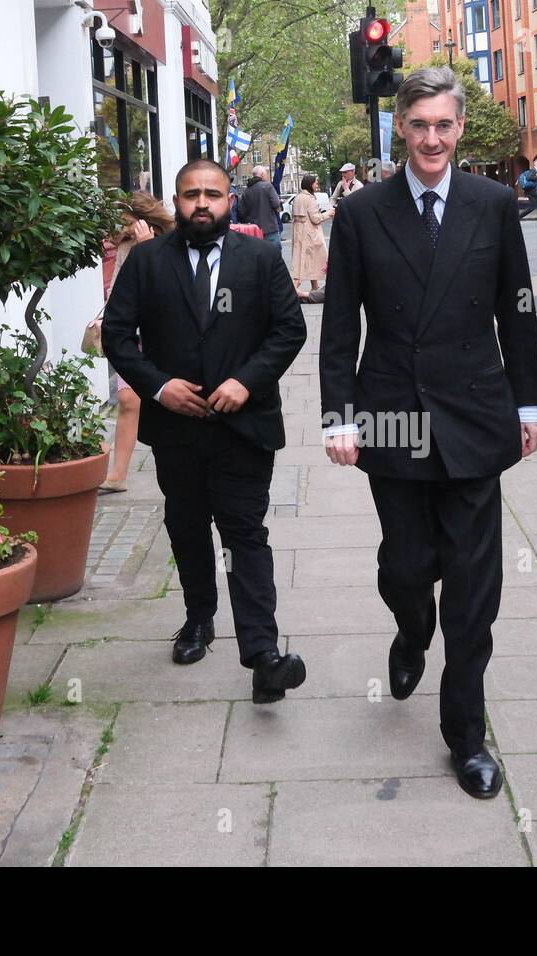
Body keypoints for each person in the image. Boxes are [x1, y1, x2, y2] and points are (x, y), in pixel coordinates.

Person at [320, 66, 537, 799]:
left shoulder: (492, 203)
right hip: (393, 411)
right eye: (419, 125)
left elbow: (517, 308)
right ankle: (410, 630)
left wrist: (530, 404)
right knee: (407, 566)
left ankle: (466, 735)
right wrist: (338, 414)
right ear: (400, 129)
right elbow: (339, 324)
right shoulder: (361, 214)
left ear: (458, 129)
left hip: (477, 412)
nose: (432, 139)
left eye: (445, 125)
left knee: (475, 589)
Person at [102, 158, 309, 703]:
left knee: (245, 534)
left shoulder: (262, 258)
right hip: (176, 429)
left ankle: (263, 653)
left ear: (229, 200)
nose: (201, 204)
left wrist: (246, 380)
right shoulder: (147, 262)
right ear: (176, 200)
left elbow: (290, 329)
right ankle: (198, 620)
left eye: (212, 194)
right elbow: (118, 336)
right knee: (188, 526)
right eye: (190, 194)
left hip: (245, 427)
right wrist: (158, 386)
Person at [93, 192, 174, 494]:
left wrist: (147, 247)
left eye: (123, 222)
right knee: (128, 401)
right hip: (129, 334)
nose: (118, 227)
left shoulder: (164, 243)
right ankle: (118, 475)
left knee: (143, 403)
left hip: (156, 333)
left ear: (141, 219)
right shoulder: (120, 244)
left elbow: (166, 286)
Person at [290, 174, 333, 301]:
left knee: (306, 261)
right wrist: (328, 214)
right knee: (306, 263)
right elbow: (316, 218)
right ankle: (292, 291)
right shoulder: (310, 199)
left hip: (299, 233)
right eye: (315, 183)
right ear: (310, 184)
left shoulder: (297, 198)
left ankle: (315, 288)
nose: (317, 185)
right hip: (310, 235)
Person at [238, 164, 285, 248]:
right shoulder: (268, 186)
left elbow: (241, 212)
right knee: (274, 256)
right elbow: (276, 204)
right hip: (270, 228)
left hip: (254, 230)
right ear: (262, 174)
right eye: (266, 174)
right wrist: (279, 202)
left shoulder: (247, 191)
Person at [517, 157, 537, 224]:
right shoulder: (533, 170)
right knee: (533, 207)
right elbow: (529, 177)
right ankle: (517, 218)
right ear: (535, 164)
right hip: (532, 192)